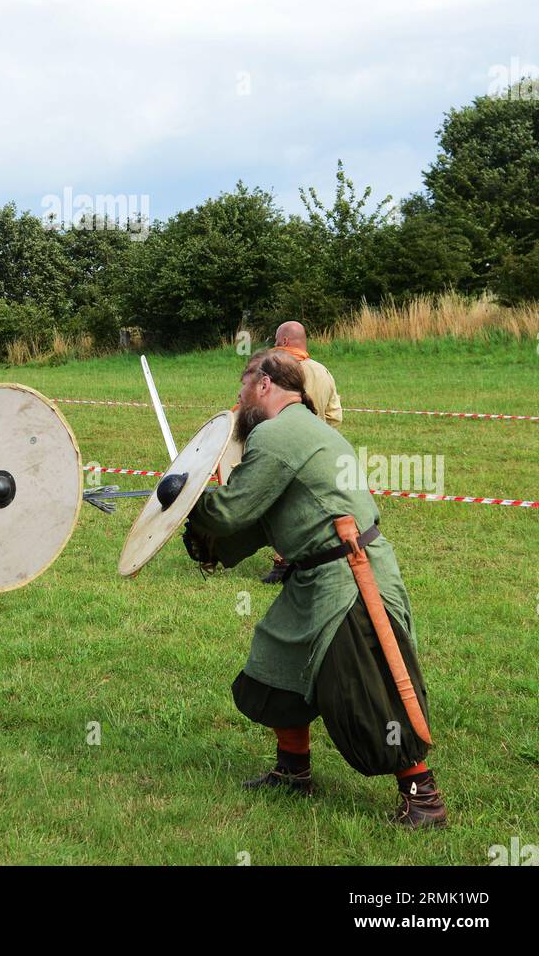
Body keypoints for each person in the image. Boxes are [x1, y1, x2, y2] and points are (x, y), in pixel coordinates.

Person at [185, 348, 446, 829]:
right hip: (315, 573)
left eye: (242, 387)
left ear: (264, 384)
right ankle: (293, 771)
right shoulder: (306, 427)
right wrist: (207, 541)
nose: (238, 400)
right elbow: (268, 516)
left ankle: (423, 797)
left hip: (349, 579)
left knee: (369, 688)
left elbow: (233, 510)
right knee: (277, 661)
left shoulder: (278, 433)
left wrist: (188, 501)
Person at [261, 320, 342, 584]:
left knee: (282, 504)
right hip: (319, 450)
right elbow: (334, 415)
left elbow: (267, 411)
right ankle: (316, 560)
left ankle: (283, 563)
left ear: (284, 342)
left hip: (287, 448)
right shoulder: (323, 371)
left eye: (276, 341)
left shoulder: (281, 373)